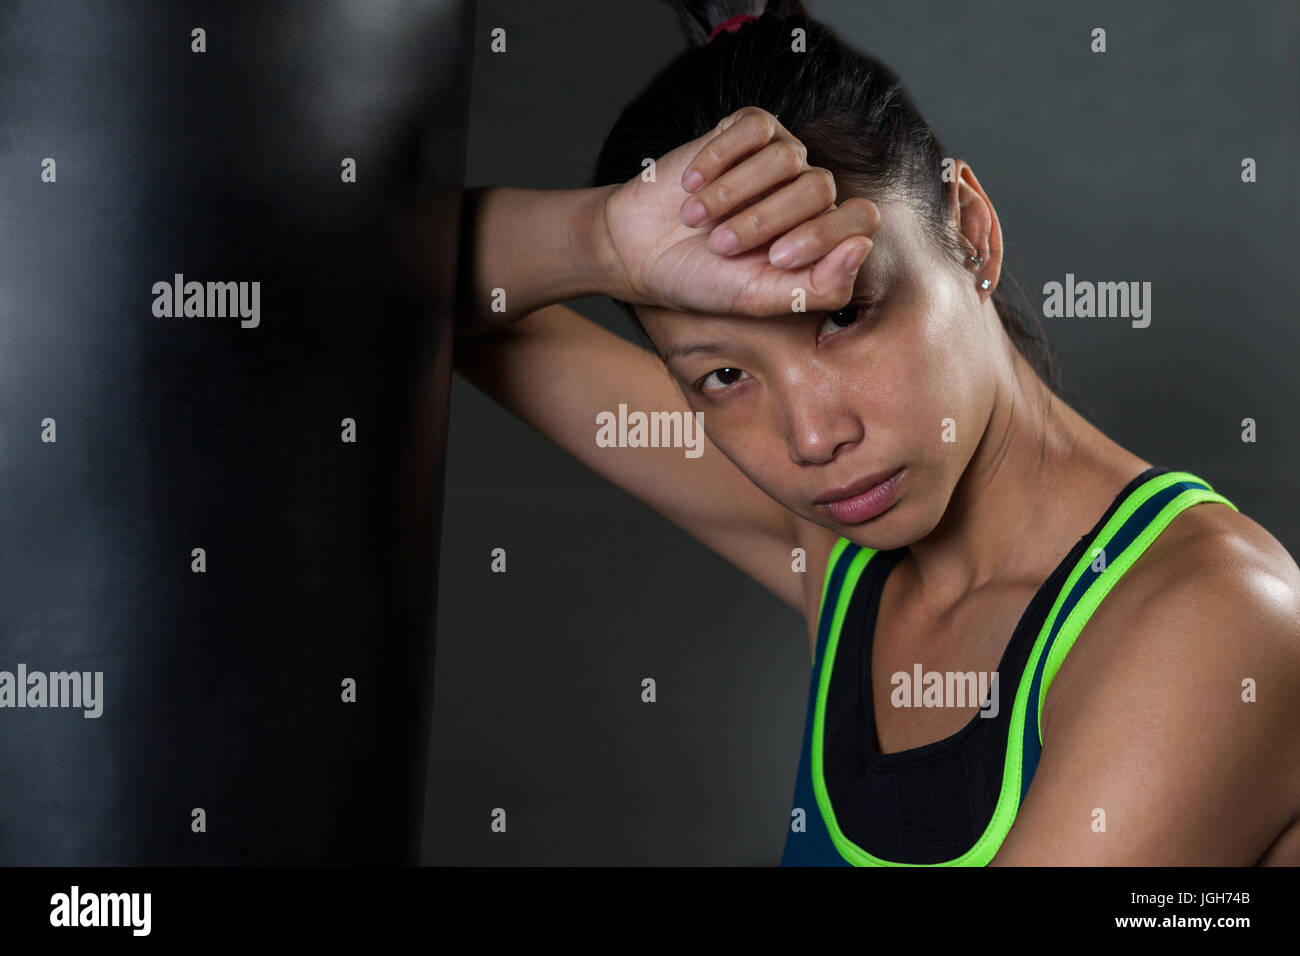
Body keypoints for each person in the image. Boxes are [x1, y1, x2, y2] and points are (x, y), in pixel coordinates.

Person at [453, 0, 1300, 864]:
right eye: (725, 375)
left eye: (843, 316)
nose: (811, 438)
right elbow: (388, 285)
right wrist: (599, 240)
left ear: (968, 232)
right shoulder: (834, 550)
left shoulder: (1218, 618)